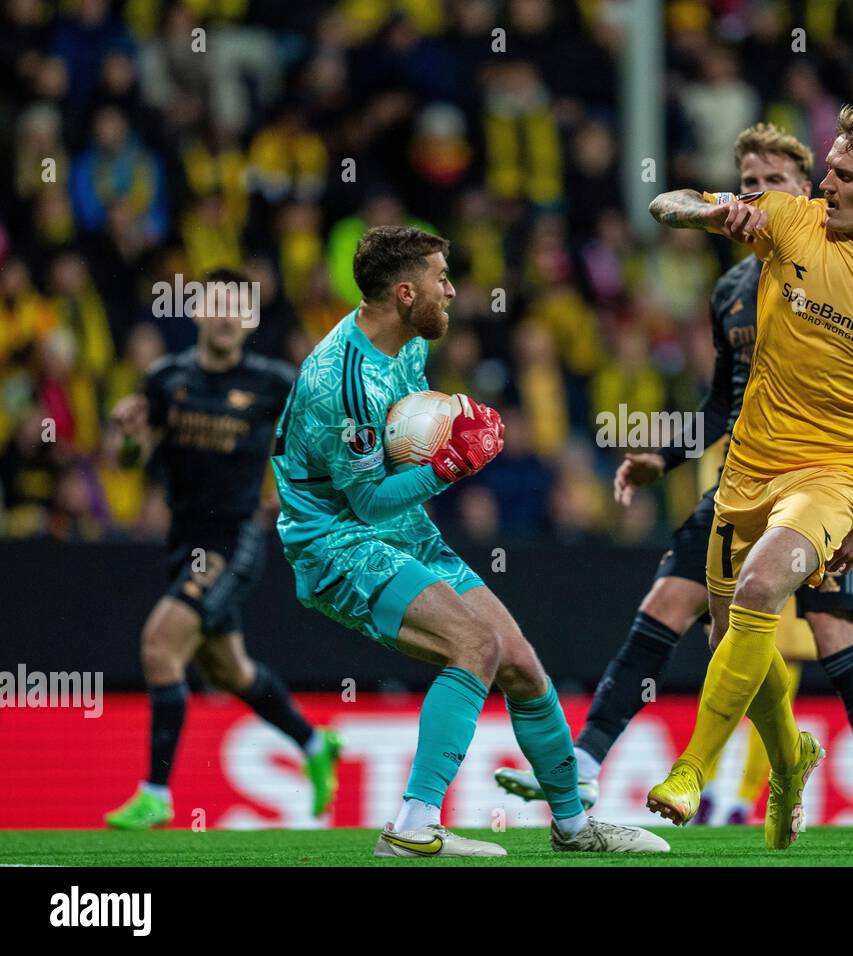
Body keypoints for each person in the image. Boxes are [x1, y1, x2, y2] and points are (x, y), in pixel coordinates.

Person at [494, 124, 853, 838]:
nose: (758, 194)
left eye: (774, 182)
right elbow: (719, 403)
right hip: (745, 475)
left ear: (807, 190)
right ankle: (585, 762)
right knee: (677, 609)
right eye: (746, 182)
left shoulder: (849, 268)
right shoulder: (730, 289)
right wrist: (661, 455)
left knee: (830, 633)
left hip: (825, 478)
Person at [271, 226, 667, 858]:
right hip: (336, 543)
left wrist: (453, 426)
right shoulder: (342, 380)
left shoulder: (404, 348)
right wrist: (451, 466)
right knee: (474, 645)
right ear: (404, 293)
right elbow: (368, 498)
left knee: (521, 663)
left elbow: (402, 444)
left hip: (398, 529)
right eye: (441, 279)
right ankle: (411, 825)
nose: (453, 290)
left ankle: (572, 827)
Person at [644, 107, 853, 849]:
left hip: (839, 471)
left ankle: (691, 769)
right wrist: (712, 210)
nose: (826, 181)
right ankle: (790, 763)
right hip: (752, 464)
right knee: (734, 640)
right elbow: (667, 205)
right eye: (827, 167)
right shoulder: (787, 219)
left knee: (759, 588)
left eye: (844, 175)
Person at [105, 268, 341, 830]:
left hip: (233, 540)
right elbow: (128, 463)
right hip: (181, 542)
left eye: (239, 305)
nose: (227, 314)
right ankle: (313, 744)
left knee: (160, 646)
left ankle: (156, 792)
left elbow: (325, 439)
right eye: (216, 304)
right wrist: (132, 440)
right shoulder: (165, 378)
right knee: (231, 670)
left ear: (251, 317)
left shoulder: (273, 383)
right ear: (197, 311)